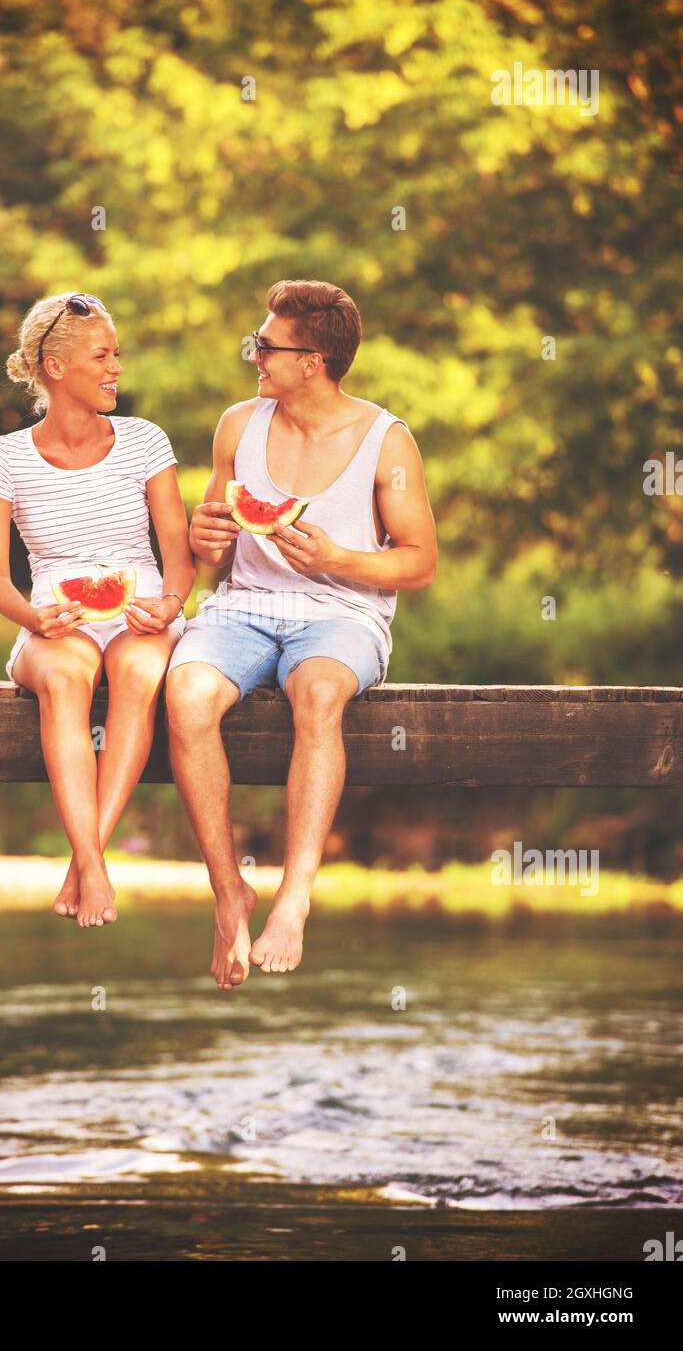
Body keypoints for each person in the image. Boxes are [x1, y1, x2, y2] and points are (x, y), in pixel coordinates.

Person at [166, 279, 437, 990]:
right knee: (186, 694)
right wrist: (204, 536)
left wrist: (337, 560)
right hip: (242, 609)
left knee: (317, 694)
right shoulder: (237, 425)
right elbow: (214, 554)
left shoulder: (385, 440)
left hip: (343, 615)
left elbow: (419, 560)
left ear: (311, 360)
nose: (253, 354)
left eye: (265, 345)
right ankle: (229, 892)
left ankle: (294, 895)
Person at [0, 292, 194, 927]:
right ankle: (95, 865)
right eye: (103, 355)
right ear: (56, 366)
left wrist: (171, 603)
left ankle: (83, 862)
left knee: (139, 673)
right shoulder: (2, 458)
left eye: (117, 354)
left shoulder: (147, 441)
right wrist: (32, 618)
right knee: (66, 678)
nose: (117, 368)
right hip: (51, 618)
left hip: (142, 611)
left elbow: (178, 555)